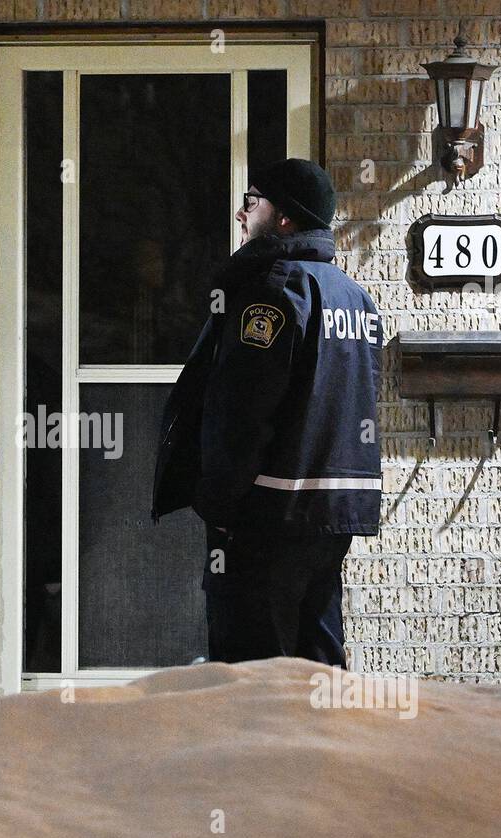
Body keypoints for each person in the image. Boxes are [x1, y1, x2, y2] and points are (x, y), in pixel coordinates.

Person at [152, 158, 382, 668]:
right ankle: (323, 748)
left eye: (251, 201)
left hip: (267, 516)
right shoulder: (353, 298)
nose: (240, 212)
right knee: (318, 664)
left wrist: (220, 504)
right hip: (331, 515)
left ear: (284, 218)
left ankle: (268, 752)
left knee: (252, 674)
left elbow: (241, 413)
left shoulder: (273, 294)